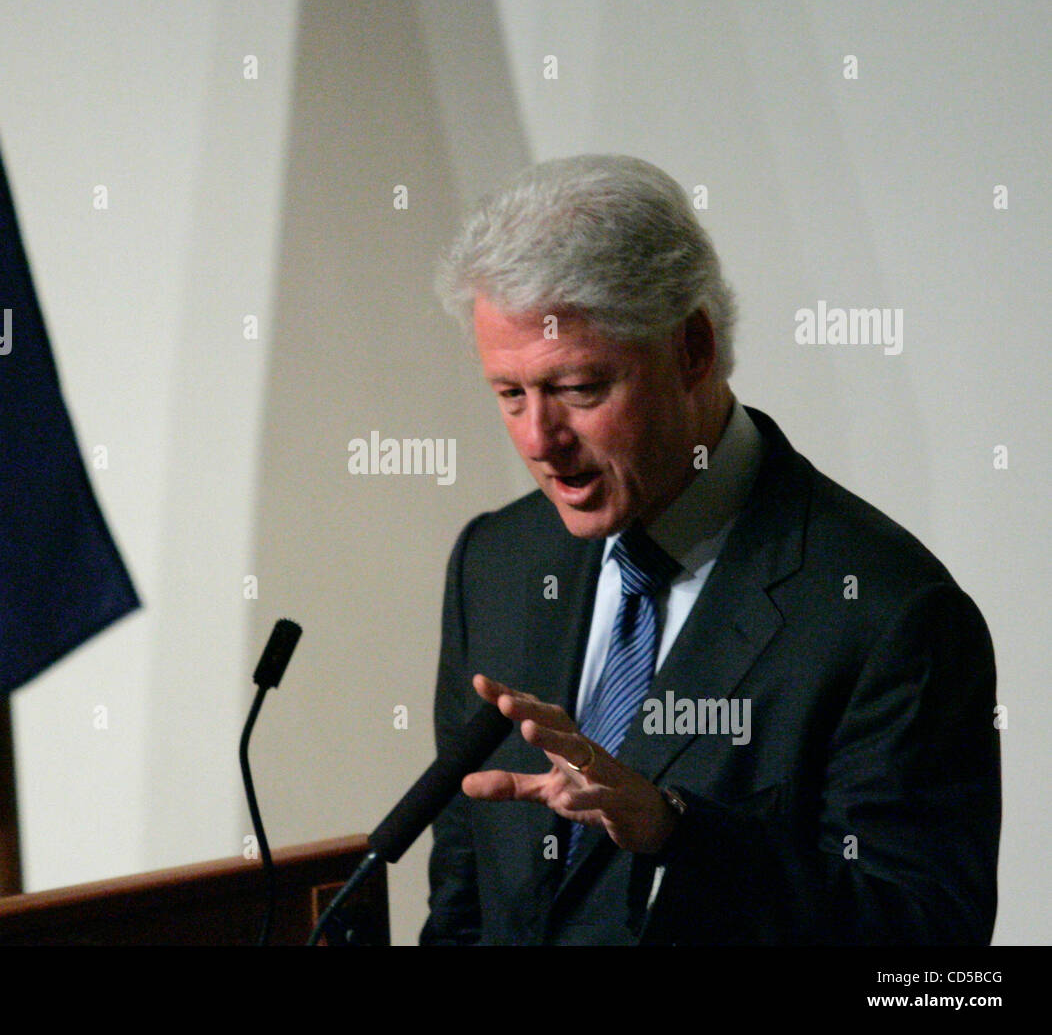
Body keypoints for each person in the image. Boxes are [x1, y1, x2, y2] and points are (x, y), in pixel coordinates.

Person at [419, 155, 1000, 945]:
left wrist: (677, 835)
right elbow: (463, 896)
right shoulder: (497, 562)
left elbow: (926, 953)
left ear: (691, 348)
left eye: (579, 389)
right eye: (510, 394)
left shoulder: (888, 616)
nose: (538, 440)